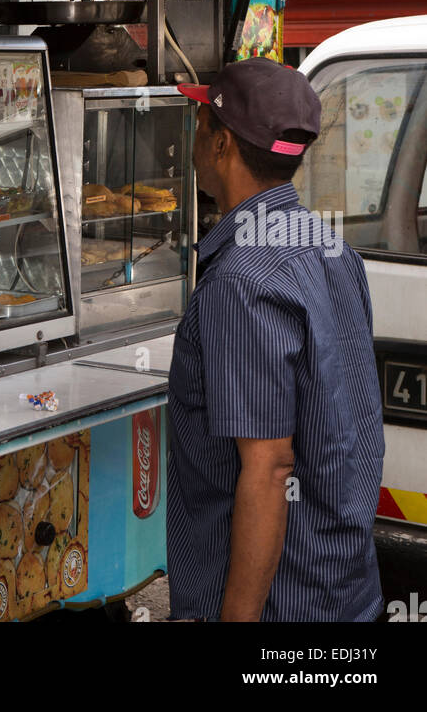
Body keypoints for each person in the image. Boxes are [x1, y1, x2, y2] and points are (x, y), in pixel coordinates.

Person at [167, 57, 384, 622]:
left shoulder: (241, 282)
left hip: (282, 608)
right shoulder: (332, 249)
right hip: (343, 588)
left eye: (201, 121)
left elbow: (269, 468)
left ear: (221, 145)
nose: (194, 133)